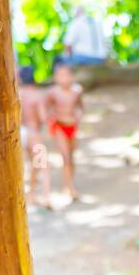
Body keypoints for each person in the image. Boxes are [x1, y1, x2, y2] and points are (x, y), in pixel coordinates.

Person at [46, 59, 84, 201]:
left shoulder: (77, 91)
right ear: (55, 77)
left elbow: (80, 106)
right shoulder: (53, 92)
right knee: (66, 157)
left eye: (66, 75)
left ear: (71, 76)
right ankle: (70, 189)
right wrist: (51, 116)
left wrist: (79, 113)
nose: (64, 79)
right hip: (60, 127)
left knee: (72, 157)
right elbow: (47, 108)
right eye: (60, 76)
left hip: (72, 126)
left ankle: (68, 183)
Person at [18, 64, 51, 208]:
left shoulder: (18, 94)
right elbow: (43, 117)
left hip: (20, 132)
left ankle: (31, 196)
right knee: (42, 165)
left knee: (30, 165)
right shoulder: (37, 95)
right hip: (33, 132)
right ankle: (46, 197)